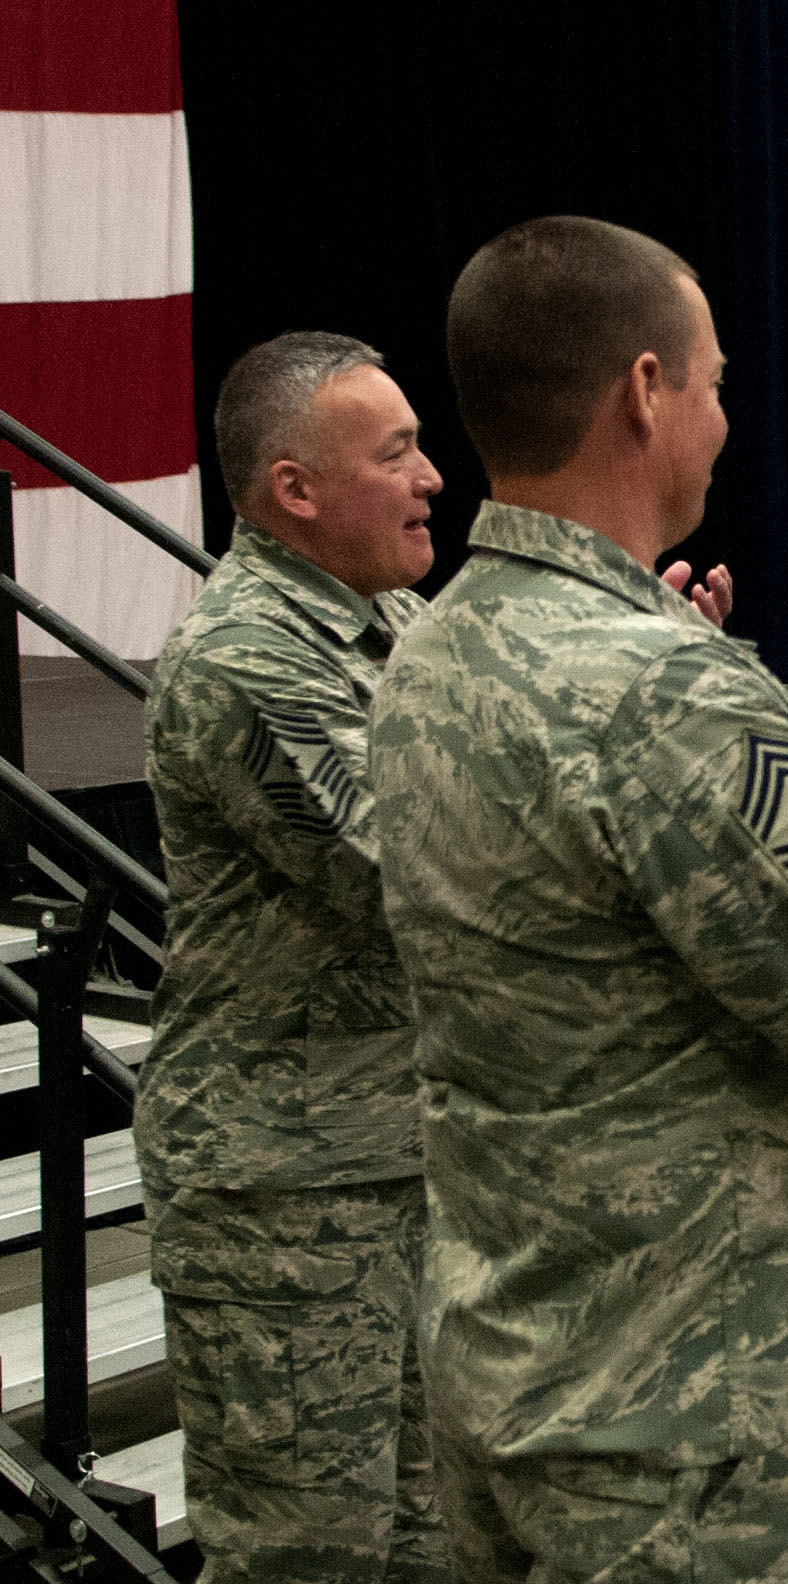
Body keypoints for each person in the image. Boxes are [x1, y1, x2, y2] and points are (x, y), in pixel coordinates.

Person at [369, 216, 788, 1584]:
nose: (725, 417)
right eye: (712, 382)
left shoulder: (436, 647)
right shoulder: (670, 693)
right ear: (644, 392)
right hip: (676, 1426)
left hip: (507, 1359)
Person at [142, 332, 451, 1582]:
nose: (432, 477)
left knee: (441, 1547)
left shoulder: (395, 618)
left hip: (411, 1158)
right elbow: (411, 872)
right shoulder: (248, 658)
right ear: (296, 490)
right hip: (287, 1198)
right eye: (397, 454)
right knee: (307, 1559)